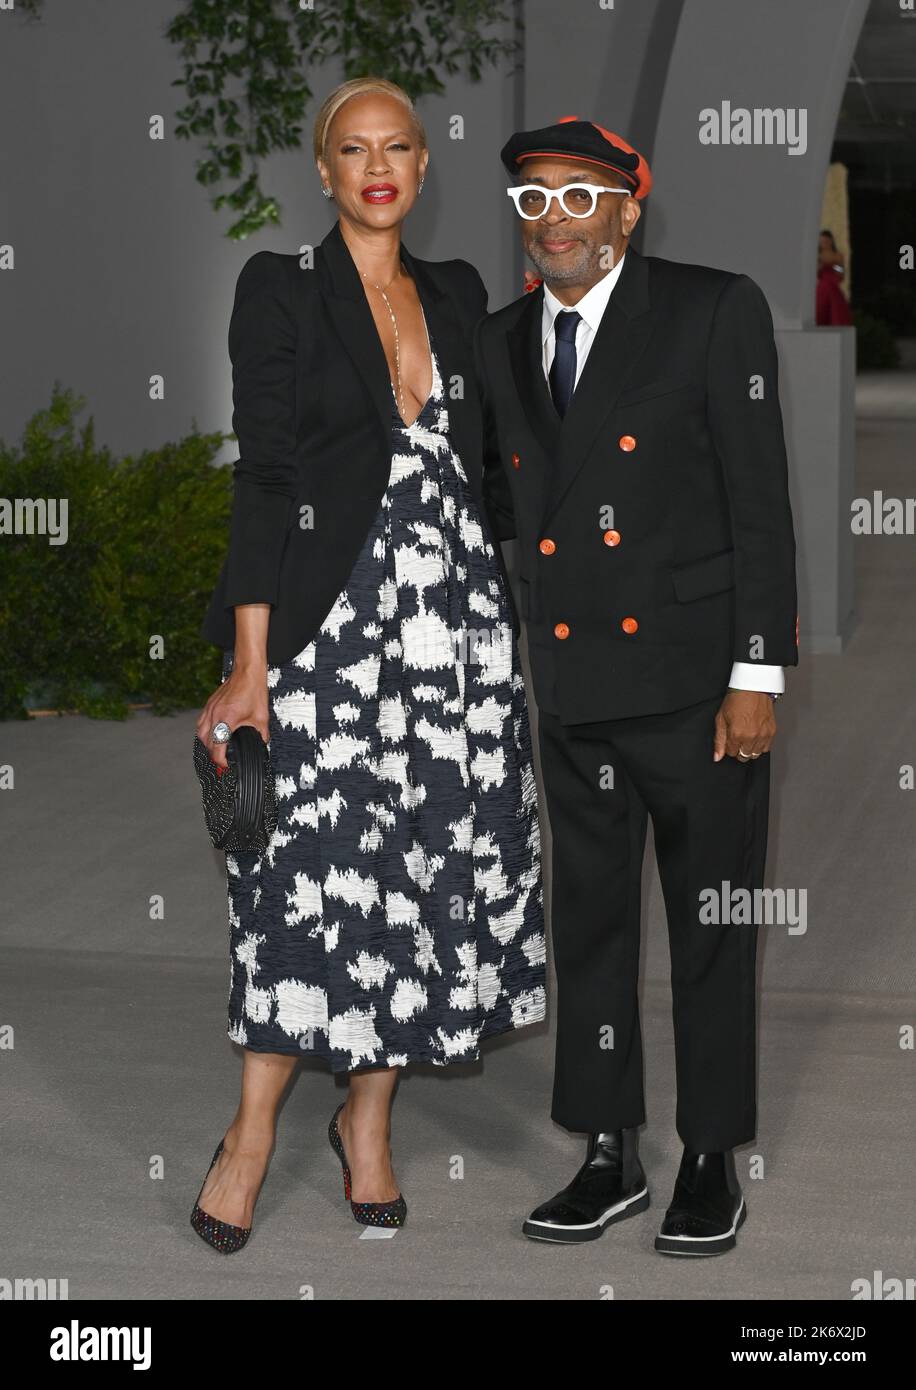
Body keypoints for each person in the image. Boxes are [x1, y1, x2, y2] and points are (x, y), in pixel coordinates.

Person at [191, 77, 546, 1253]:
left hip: (451, 635)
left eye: (398, 146)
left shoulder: (456, 293)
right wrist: (250, 666)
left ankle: (370, 1123)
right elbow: (265, 473)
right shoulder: (280, 289)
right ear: (325, 167)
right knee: (297, 875)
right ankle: (250, 1136)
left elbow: (495, 464)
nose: (378, 165)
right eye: (355, 149)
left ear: (424, 167)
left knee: (424, 868)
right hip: (329, 627)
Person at [474, 116, 798, 1254]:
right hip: (573, 688)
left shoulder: (713, 310)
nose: (553, 218)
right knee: (594, 927)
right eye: (533, 200)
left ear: (627, 208)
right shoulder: (501, 340)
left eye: (577, 196)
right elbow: (498, 510)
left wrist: (755, 672)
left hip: (696, 688)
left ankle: (709, 1158)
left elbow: (761, 504)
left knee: (709, 926)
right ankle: (607, 1152)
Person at [816, 230, 852, 326]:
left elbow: (841, 274)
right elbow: (815, 273)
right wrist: (820, 265)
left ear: (831, 242)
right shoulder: (817, 256)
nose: (824, 244)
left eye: (826, 241)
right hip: (822, 288)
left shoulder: (838, 255)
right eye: (822, 242)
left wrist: (834, 264)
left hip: (833, 287)